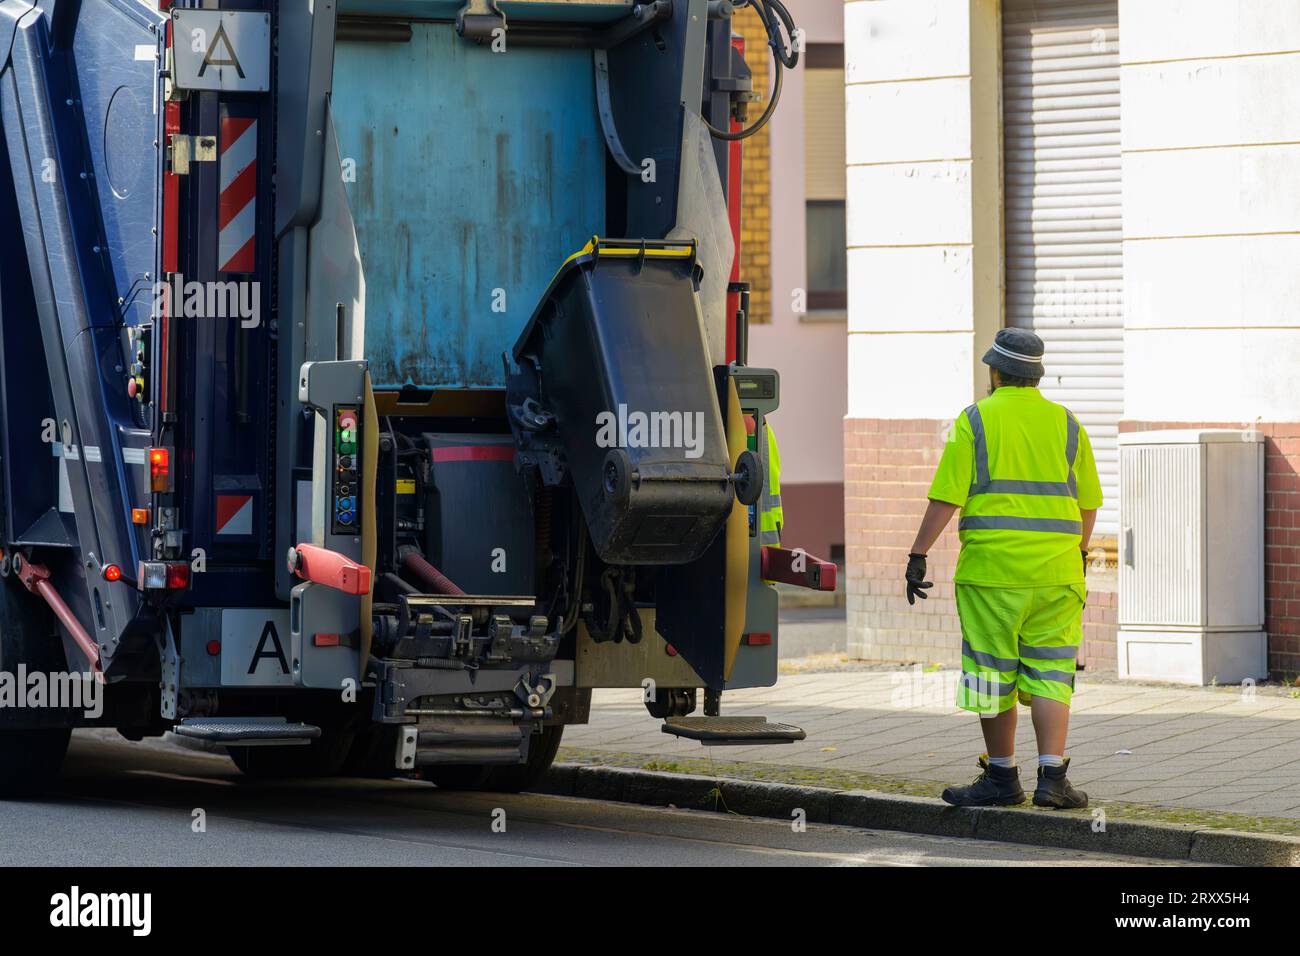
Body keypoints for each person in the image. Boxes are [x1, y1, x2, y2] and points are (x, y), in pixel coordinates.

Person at [904, 328, 1101, 809]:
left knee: (992, 673)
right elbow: (1089, 503)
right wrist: (1078, 552)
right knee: (1052, 674)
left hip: (992, 575)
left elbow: (947, 495)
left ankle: (1001, 778)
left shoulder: (976, 419)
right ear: (1035, 374)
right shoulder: (1068, 423)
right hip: (1057, 575)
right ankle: (1053, 779)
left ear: (995, 372)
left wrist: (918, 553)